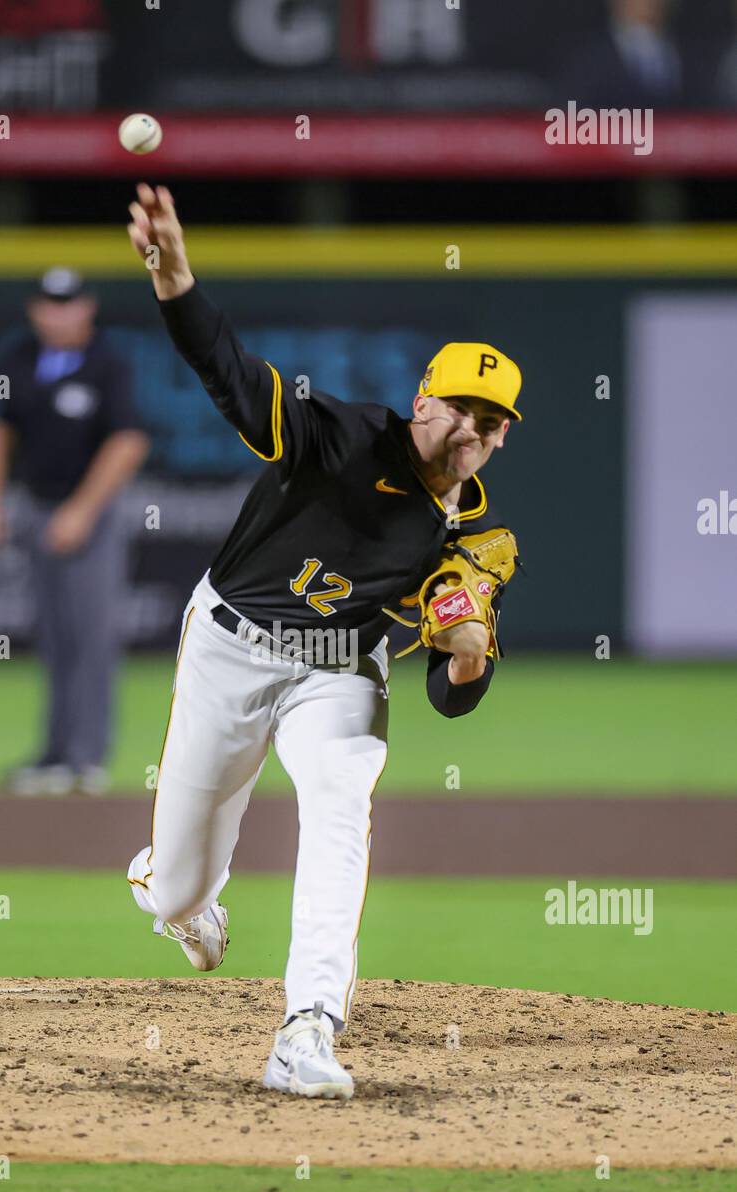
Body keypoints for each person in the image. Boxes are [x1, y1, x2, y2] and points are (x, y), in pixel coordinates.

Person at [125, 184, 522, 1099]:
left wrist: (466, 656)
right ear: (423, 399)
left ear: (501, 440)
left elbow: (454, 694)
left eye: (490, 422)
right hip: (231, 643)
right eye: (458, 406)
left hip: (341, 671)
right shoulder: (339, 436)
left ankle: (306, 1030)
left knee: (343, 799)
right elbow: (231, 373)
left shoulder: (479, 541)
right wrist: (176, 279)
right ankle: (171, 891)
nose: (470, 427)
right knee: (184, 889)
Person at [0, 268, 149, 795]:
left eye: (69, 303)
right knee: (55, 639)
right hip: (36, 508)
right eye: (50, 303)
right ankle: (54, 756)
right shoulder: (18, 357)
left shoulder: (107, 364)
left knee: (92, 636)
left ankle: (86, 760)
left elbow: (128, 442)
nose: (59, 313)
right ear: (36, 309)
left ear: (87, 307)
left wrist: (82, 510)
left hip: (92, 516)